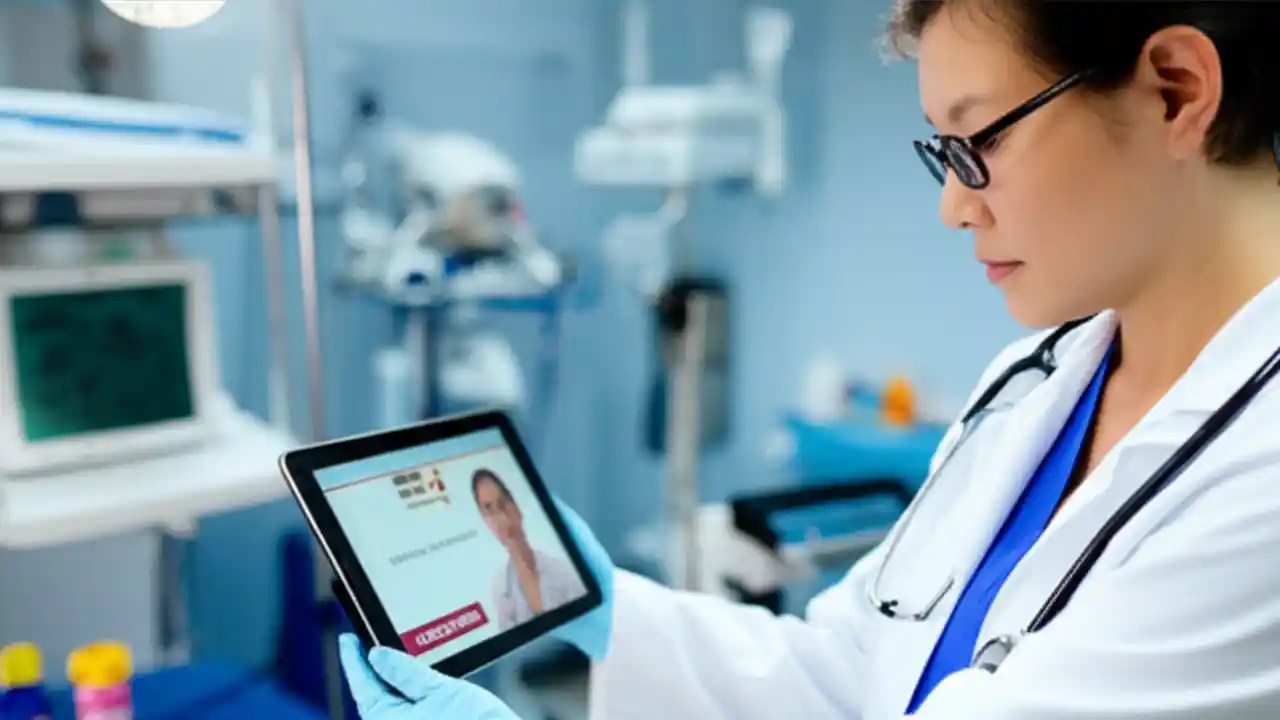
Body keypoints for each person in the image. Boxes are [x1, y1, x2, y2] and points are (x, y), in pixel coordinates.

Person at [339, 1, 1280, 717]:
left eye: (980, 140)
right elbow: (847, 676)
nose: (954, 206)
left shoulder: (1263, 482)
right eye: (941, 152)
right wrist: (611, 609)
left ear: (1175, 91)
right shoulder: (1032, 385)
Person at [471, 468, 585, 630]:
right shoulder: (500, 587)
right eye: (489, 509)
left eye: (503, 503)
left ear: (516, 508)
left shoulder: (566, 572)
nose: (500, 515)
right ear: (485, 521)